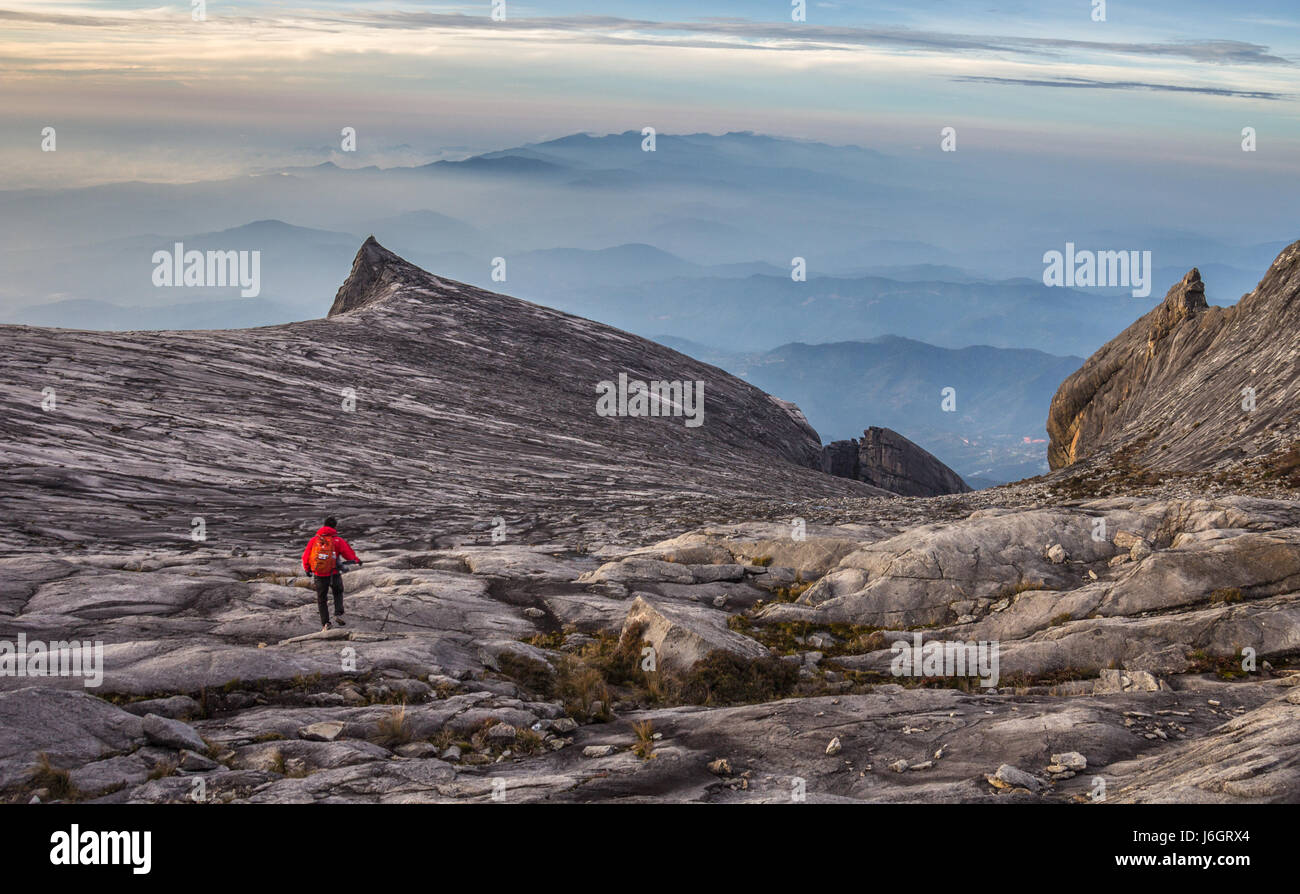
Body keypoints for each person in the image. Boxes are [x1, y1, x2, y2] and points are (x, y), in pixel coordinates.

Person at [301, 516, 361, 631]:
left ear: (324, 525)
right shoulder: (337, 540)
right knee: (338, 592)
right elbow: (348, 553)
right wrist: (356, 560)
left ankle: (326, 623)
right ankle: (338, 614)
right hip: (334, 573)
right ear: (335, 526)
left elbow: (306, 556)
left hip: (319, 574)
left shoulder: (315, 540)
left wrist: (307, 569)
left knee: (321, 599)